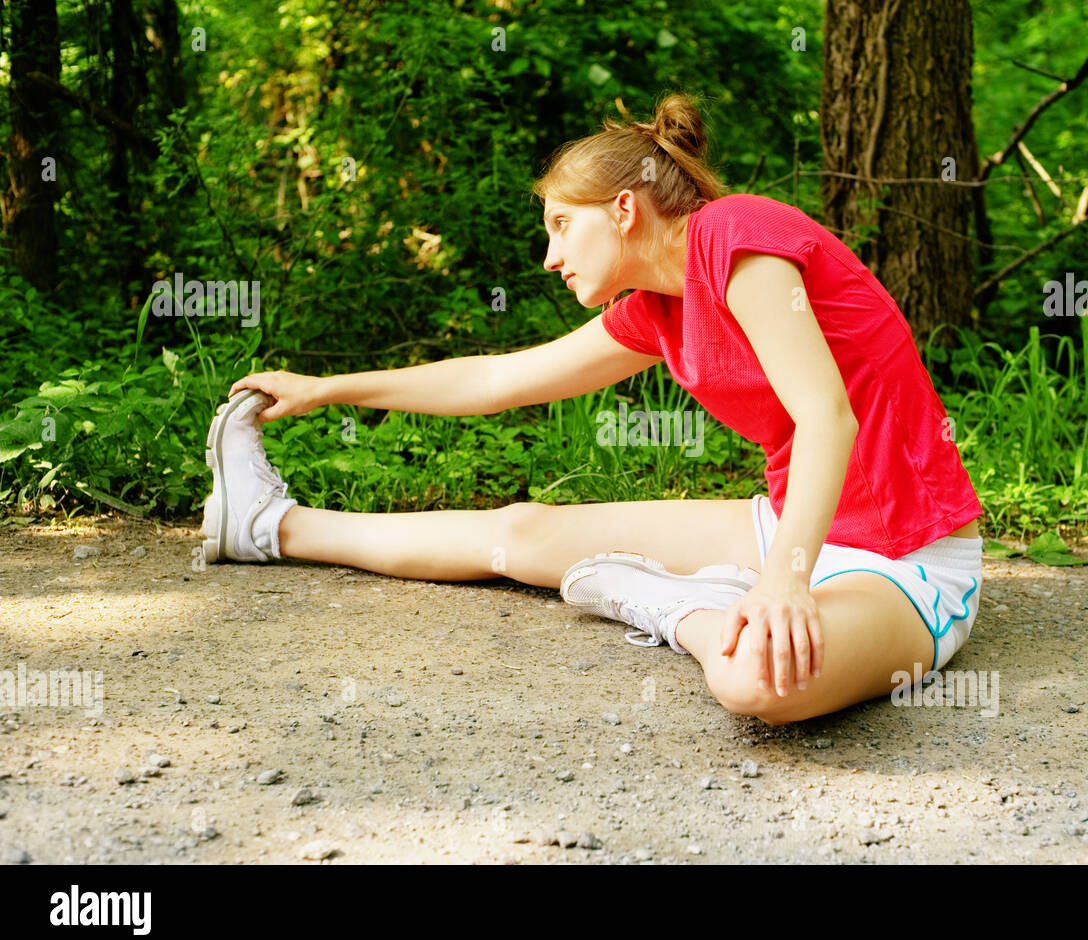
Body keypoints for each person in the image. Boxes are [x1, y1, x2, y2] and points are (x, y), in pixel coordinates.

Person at [203, 93, 983, 727]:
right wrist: (327, 388)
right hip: (791, 528)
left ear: (622, 209)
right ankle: (269, 525)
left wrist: (784, 581)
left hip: (907, 562)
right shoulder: (658, 308)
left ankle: (672, 604)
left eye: (560, 225)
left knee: (755, 682)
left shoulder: (736, 235)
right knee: (519, 531)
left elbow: (827, 416)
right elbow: (497, 381)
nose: (550, 257)